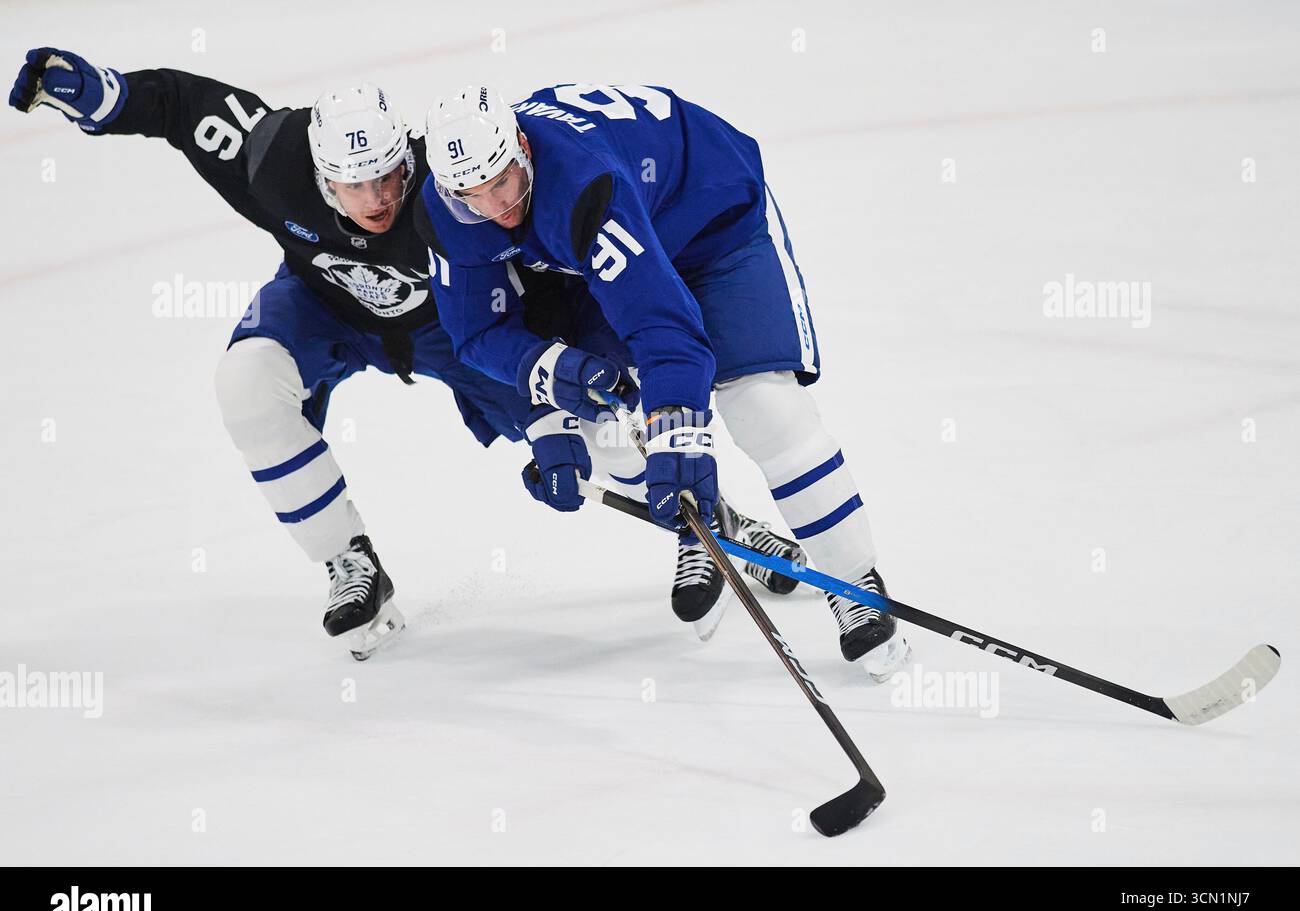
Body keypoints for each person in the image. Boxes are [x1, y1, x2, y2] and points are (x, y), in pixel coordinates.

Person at [9, 49, 541, 659]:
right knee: (246, 383)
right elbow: (183, 106)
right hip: (320, 303)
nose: (376, 200)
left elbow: (550, 267)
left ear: (408, 158)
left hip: (452, 323)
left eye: (388, 176)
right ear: (320, 176)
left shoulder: (453, 190)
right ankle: (348, 559)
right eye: (353, 185)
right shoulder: (274, 158)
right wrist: (105, 96)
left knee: (580, 423)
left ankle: (677, 504)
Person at [415, 84, 910, 680]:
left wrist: (680, 439)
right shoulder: (449, 210)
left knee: (762, 405)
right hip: (622, 243)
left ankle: (853, 580)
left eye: (503, 184)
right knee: (608, 420)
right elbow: (475, 330)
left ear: (522, 147)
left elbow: (663, 327)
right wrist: (546, 369)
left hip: (712, 225)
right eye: (472, 199)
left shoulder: (581, 184)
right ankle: (713, 521)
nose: (495, 210)